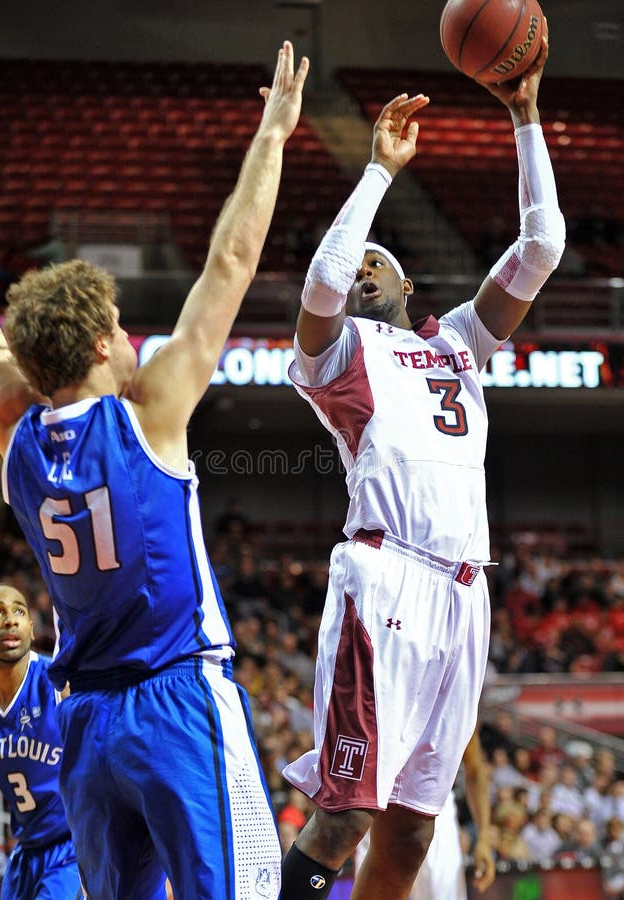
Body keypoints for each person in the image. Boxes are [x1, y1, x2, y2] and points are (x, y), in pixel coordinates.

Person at [0, 42, 308, 899]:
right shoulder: (149, 414)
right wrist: (272, 138)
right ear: (106, 344)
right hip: (177, 698)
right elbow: (229, 265)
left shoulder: (17, 432)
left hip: (84, 723)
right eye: (118, 323)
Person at [280, 26, 564, 900]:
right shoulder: (343, 356)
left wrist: (525, 116)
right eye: (359, 265)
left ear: (412, 290)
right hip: (386, 579)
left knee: (409, 833)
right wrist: (377, 173)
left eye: (380, 265)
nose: (363, 272)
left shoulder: (459, 343)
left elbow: (543, 244)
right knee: (344, 818)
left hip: (464, 593)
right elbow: (322, 286)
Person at [0, 584, 82, 899]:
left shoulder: (60, 684)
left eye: (20, 611)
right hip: (26, 851)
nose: (11, 619)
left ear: (30, 627)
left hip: (76, 846)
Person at [355, 728, 496, 899]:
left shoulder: (456, 702)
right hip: (377, 807)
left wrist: (484, 839)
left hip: (434, 812)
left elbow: (475, 771)